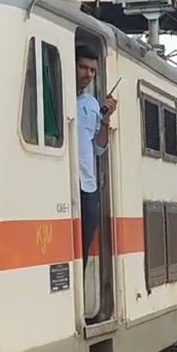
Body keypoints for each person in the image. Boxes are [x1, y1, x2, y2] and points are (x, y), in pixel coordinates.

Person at [75, 44, 117, 267]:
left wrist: (106, 119)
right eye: (83, 67)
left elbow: (98, 148)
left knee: (83, 247)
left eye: (92, 70)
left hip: (88, 186)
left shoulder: (92, 105)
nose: (88, 75)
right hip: (65, 182)